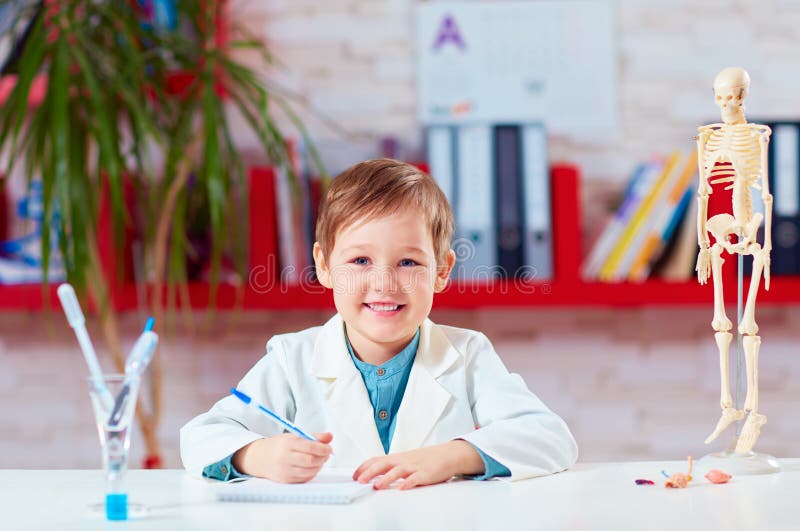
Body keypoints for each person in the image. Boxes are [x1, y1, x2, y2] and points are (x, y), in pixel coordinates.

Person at [180, 159, 578, 490]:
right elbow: (200, 437)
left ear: (441, 271)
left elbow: (550, 437)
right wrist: (258, 455)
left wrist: (449, 456)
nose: (384, 283)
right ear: (323, 266)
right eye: (360, 261)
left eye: (408, 262)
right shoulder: (291, 358)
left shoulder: (468, 354)